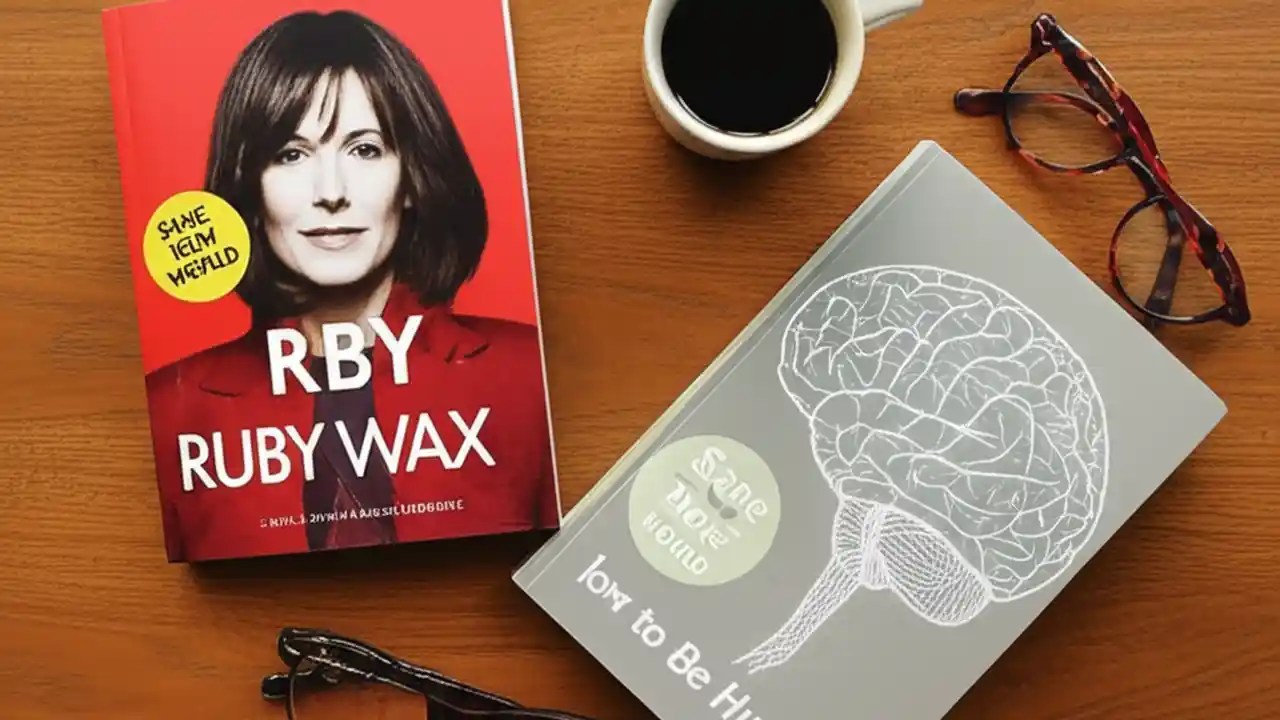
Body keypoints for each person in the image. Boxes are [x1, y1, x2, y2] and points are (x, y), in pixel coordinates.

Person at [144, 10, 559, 562]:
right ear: (249, 186)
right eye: (290, 155)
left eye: (365, 149)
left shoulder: (526, 376)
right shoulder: (173, 406)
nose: (331, 191)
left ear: (412, 177)